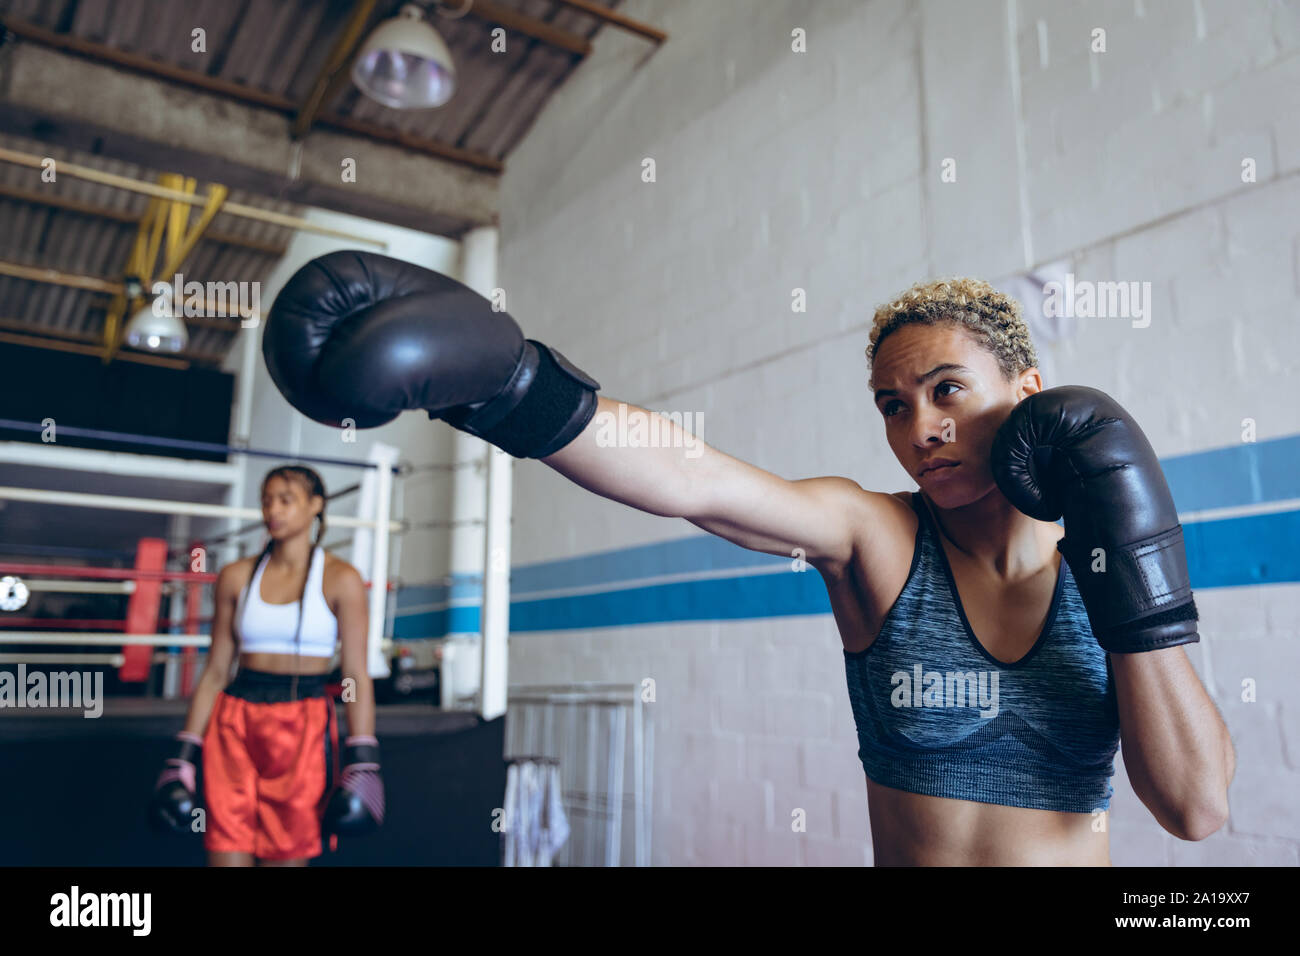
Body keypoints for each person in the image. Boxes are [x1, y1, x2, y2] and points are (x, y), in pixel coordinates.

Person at [261, 250, 1234, 866]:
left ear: (1026, 387)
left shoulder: (1097, 568)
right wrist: (506, 386)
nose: (922, 429)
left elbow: (1193, 805)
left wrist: (1129, 570)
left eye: (947, 389)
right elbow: (699, 480)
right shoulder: (878, 537)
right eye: (893, 405)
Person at [149, 464, 384, 866]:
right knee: (225, 847)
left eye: (286, 500)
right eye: (267, 500)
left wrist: (363, 757)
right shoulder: (236, 577)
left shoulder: (341, 579)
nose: (273, 510)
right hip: (234, 724)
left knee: (287, 855)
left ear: (315, 506)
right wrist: (182, 754)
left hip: (304, 726)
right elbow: (216, 671)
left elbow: (355, 675)